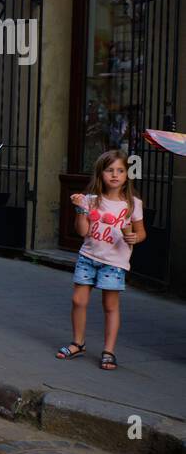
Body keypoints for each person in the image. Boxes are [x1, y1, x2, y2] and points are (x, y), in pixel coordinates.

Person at [56, 150, 145, 371]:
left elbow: (141, 233)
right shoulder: (91, 201)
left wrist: (135, 237)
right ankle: (78, 343)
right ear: (100, 174)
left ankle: (109, 351)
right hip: (88, 257)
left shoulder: (132, 204)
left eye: (120, 171)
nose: (115, 175)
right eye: (109, 170)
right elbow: (83, 231)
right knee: (78, 300)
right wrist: (80, 209)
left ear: (127, 175)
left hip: (114, 262)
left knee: (110, 305)